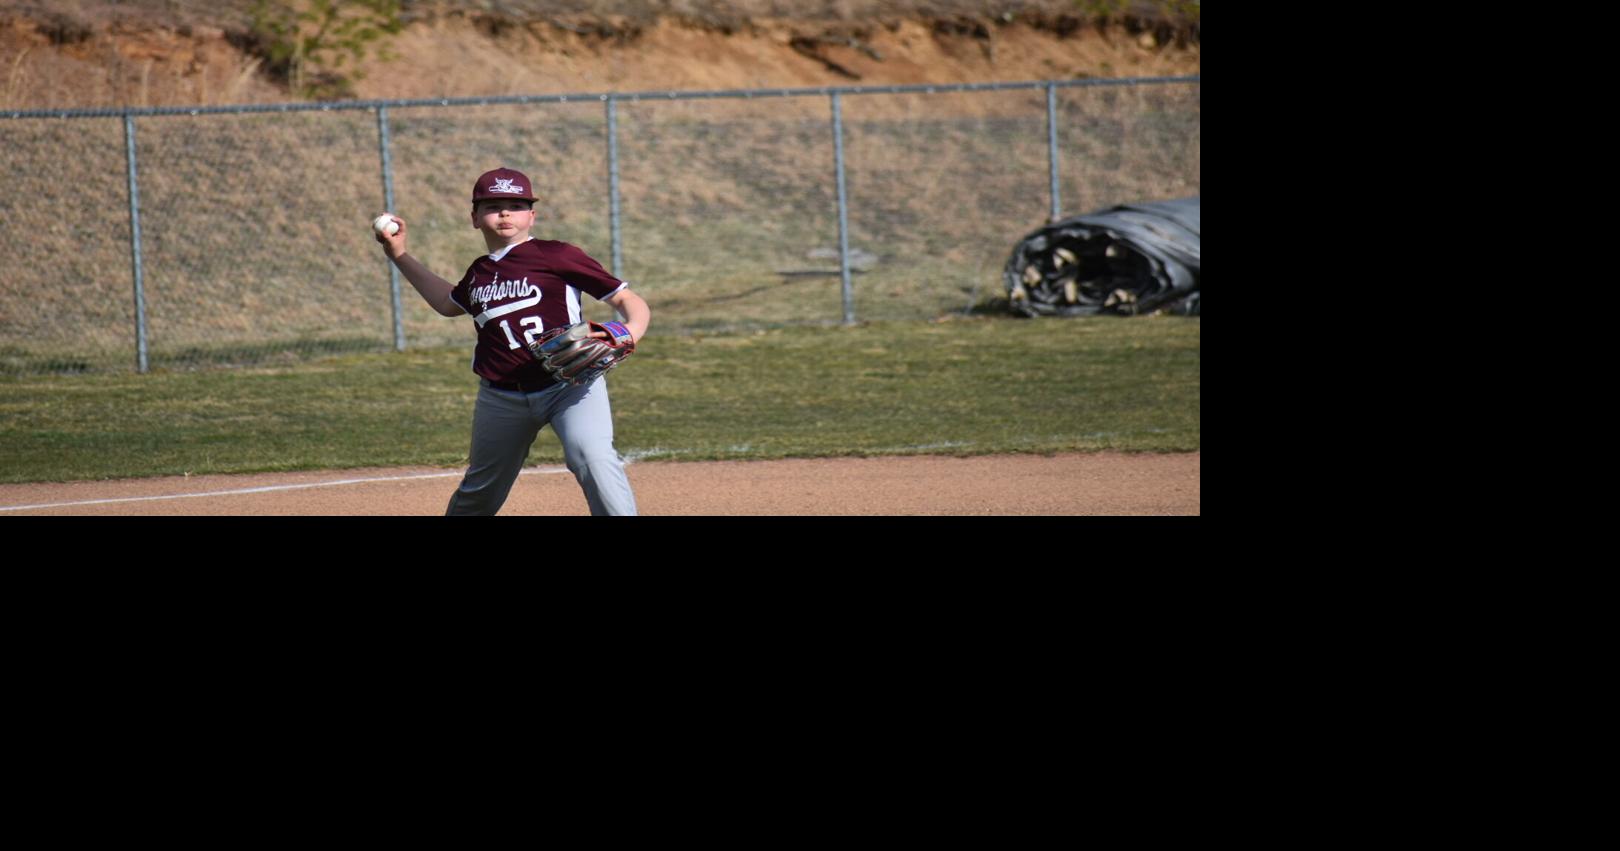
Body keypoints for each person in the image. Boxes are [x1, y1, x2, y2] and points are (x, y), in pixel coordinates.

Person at [374, 167, 650, 516]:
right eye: (492, 206)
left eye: (516, 205)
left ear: (532, 216)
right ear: (474, 218)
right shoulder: (478, 273)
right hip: (501, 396)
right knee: (481, 491)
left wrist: (628, 331)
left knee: (591, 458)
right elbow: (447, 302)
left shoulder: (557, 255)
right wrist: (399, 255)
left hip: (570, 386)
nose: (505, 213)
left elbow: (627, 300)